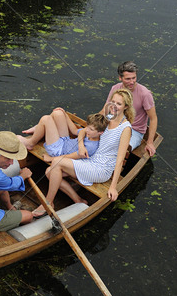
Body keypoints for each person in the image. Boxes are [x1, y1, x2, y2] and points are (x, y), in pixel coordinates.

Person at [33, 89, 135, 217]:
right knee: (49, 172)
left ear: (126, 107)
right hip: (90, 160)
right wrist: (81, 145)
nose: (114, 106)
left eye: (119, 104)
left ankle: (48, 202)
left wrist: (113, 187)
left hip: (101, 169)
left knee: (55, 163)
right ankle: (78, 199)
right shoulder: (108, 118)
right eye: (112, 101)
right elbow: (83, 130)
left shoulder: (125, 128)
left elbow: (120, 160)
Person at [101, 61, 158, 156]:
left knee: (121, 148)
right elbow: (105, 110)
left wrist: (150, 142)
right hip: (115, 123)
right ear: (120, 78)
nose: (132, 82)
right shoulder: (115, 88)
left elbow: (153, 118)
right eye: (128, 79)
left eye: (134, 78)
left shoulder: (145, 94)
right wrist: (96, 124)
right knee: (95, 136)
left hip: (135, 130)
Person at [17, 109, 109, 162]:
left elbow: (70, 158)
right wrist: (64, 114)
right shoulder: (90, 133)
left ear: (100, 133)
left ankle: (30, 143)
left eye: (91, 129)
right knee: (58, 113)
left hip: (59, 151)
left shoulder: (90, 147)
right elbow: (74, 131)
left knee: (46, 119)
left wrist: (51, 159)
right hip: (65, 141)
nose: (87, 130)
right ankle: (39, 128)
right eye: (87, 127)